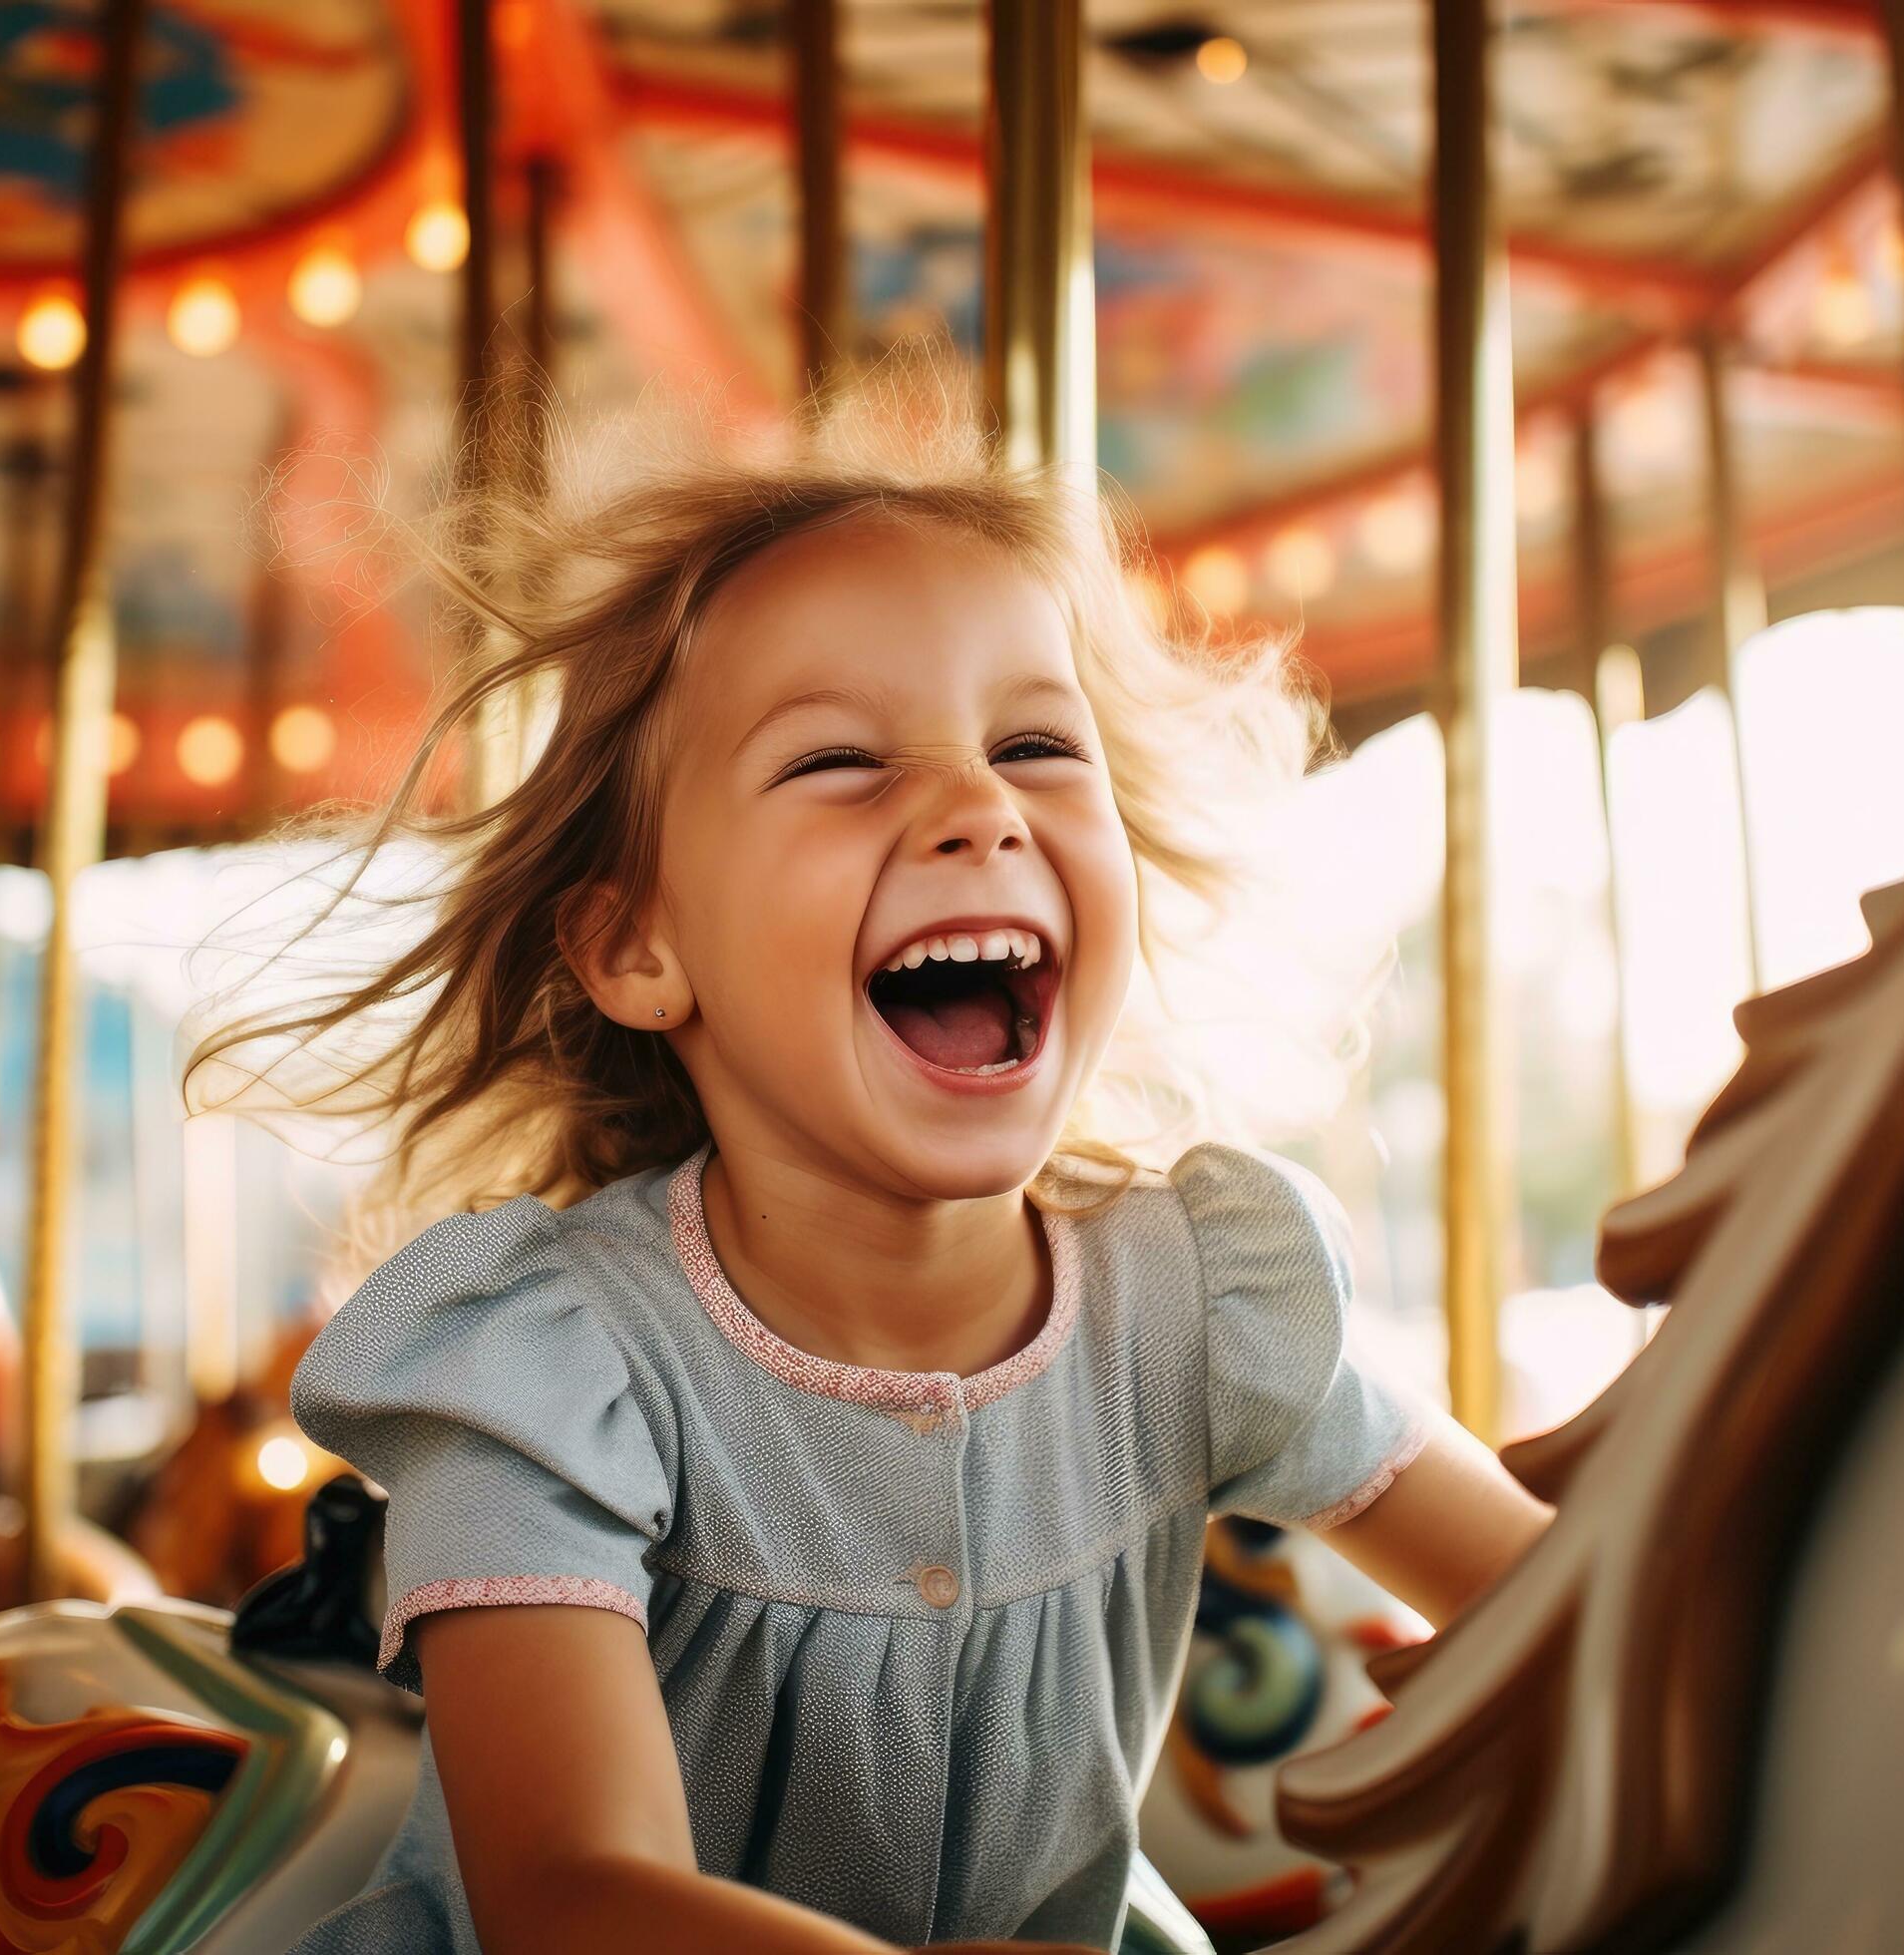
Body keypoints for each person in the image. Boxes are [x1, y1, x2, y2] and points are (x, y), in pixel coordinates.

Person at [228, 380, 1553, 1954]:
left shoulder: (1198, 1300)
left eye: (1038, 744)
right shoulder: (552, 1370)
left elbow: (1567, 1610)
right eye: (841, 762)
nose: (978, 806)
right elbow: (568, 1893)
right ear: (639, 945)